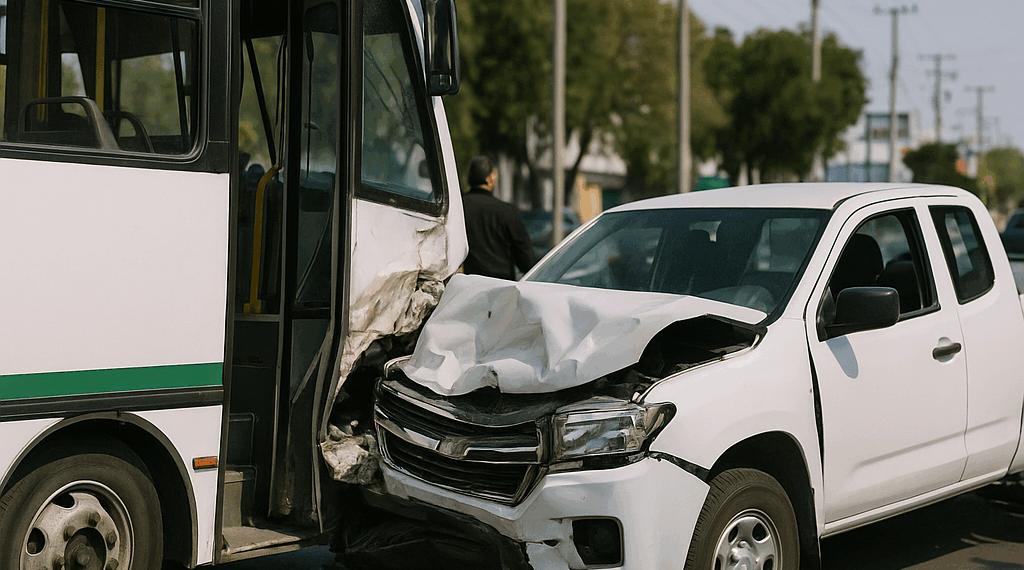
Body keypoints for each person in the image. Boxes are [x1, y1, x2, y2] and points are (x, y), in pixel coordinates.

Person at [461, 155, 535, 280]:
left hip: (469, 285)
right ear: (490, 178)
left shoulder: (458, 208)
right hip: (501, 287)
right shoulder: (506, 211)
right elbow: (525, 258)